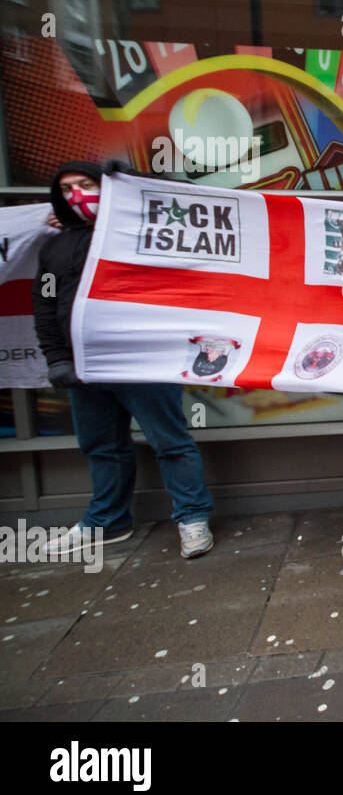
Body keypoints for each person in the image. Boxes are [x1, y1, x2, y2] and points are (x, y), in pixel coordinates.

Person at [33, 161, 215, 559]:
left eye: (85, 184)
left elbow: (185, 203)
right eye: (66, 189)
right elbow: (45, 303)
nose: (76, 194)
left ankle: (192, 518)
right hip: (85, 366)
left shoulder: (140, 231)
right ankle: (107, 522)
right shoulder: (54, 247)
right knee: (101, 445)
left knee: (170, 441)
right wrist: (58, 358)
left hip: (144, 360)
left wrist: (138, 180)